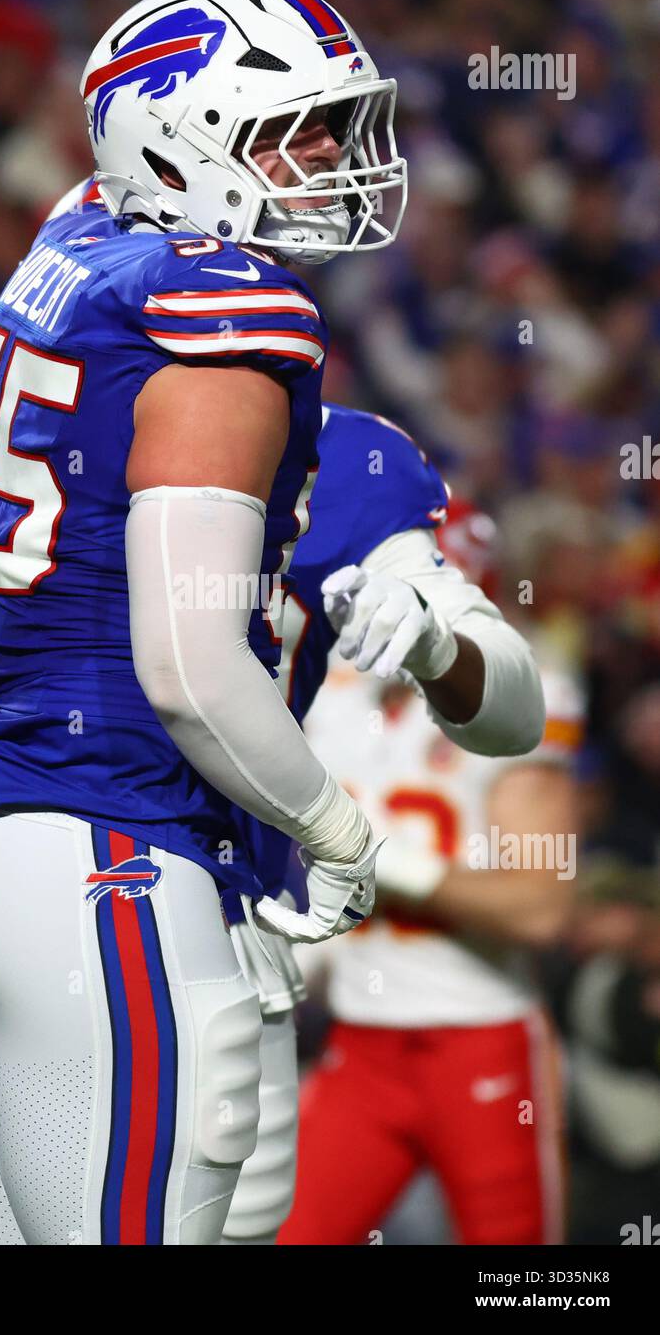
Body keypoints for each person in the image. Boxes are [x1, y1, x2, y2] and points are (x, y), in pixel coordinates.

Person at [0, 369, 547, 1245]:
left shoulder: (347, 461)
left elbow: (514, 712)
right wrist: (336, 833)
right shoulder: (8, 403)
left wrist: (437, 642)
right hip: (70, 872)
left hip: (216, 909)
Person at [277, 502, 579, 1245]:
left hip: (478, 1034)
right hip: (361, 1040)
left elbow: (541, 909)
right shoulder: (333, 693)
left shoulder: (517, 701)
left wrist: (383, 861)